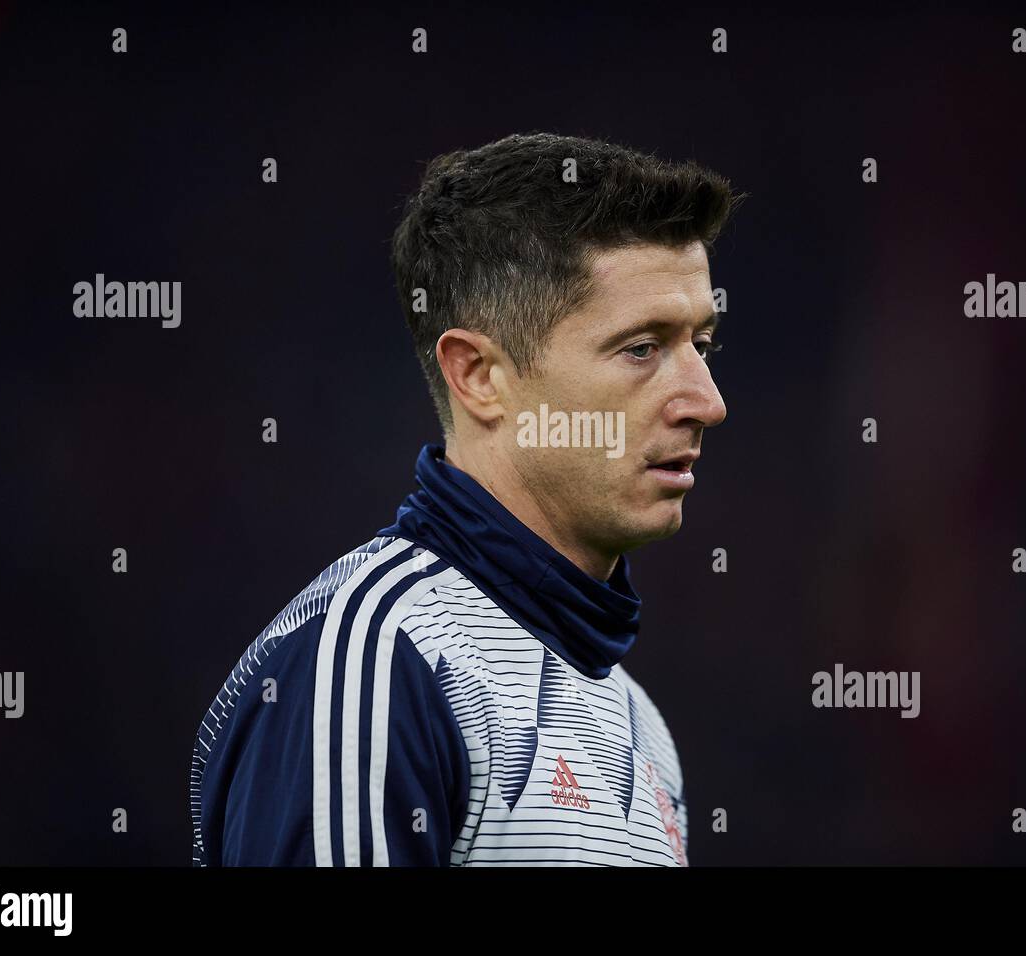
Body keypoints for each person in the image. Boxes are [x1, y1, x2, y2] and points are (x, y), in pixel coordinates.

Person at [191, 131, 743, 865]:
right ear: (480, 376)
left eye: (700, 346)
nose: (707, 402)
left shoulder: (640, 727)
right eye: (642, 348)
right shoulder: (378, 661)